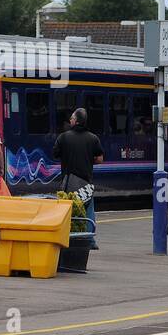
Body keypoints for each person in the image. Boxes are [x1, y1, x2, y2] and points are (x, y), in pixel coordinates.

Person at [53, 107, 104, 249]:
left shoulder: (63, 137)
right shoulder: (93, 138)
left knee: (66, 211)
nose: (70, 120)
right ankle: (90, 241)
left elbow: (55, 154)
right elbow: (100, 159)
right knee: (88, 211)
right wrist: (88, 159)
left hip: (68, 181)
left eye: (71, 118)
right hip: (86, 182)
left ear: (75, 121)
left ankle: (67, 239)